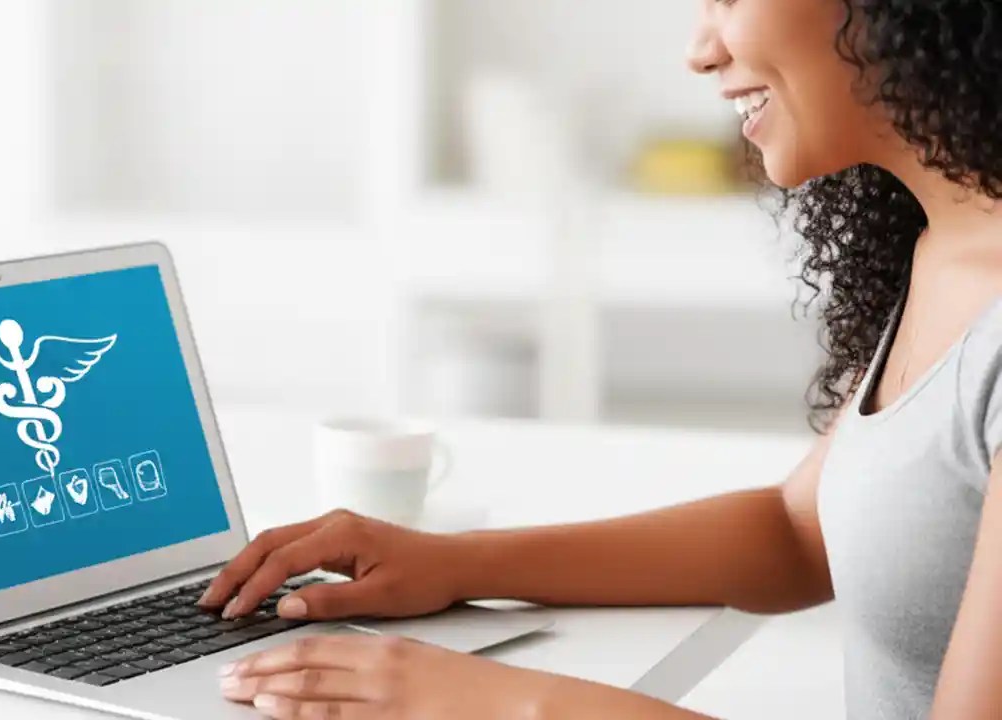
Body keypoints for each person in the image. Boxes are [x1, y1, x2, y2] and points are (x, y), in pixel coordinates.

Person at [200, 0, 1002, 717]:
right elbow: (797, 533)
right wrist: (449, 564)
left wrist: (491, 700)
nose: (700, 49)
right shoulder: (943, 243)